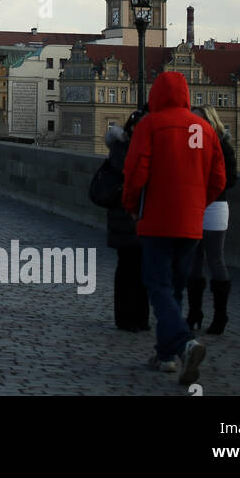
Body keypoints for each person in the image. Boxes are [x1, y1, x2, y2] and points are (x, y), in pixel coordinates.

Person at [122, 71, 226, 385]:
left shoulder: (150, 125)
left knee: (158, 286)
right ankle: (166, 356)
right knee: (176, 289)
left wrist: (130, 205)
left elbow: (136, 171)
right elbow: (218, 179)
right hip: (191, 224)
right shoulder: (205, 129)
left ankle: (184, 344)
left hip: (157, 220)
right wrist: (198, 204)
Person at [93, 110, 149, 332]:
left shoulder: (119, 149)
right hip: (126, 217)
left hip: (125, 217)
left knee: (130, 269)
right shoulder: (127, 151)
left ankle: (132, 317)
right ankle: (131, 318)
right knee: (131, 270)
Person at [186, 105, 238, 335]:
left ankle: (220, 315)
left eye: (198, 120)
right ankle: (194, 313)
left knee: (215, 259)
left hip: (215, 206)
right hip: (194, 205)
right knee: (194, 261)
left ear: (211, 121)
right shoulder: (190, 143)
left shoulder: (223, 146)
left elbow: (231, 180)